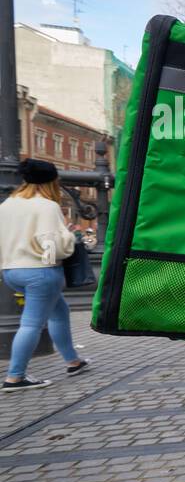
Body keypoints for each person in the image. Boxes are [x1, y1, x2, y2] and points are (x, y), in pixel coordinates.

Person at [0, 158, 91, 390]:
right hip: (40, 270)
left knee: (59, 310)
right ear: (52, 181)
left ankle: (74, 361)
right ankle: (15, 377)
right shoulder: (47, 206)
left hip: (12, 270)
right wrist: (69, 238)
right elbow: (50, 243)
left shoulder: (8, 204)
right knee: (31, 324)